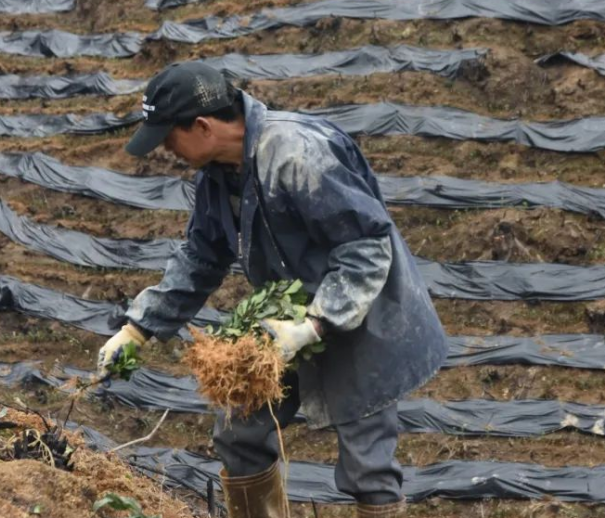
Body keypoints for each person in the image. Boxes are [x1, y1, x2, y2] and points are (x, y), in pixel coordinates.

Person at [97, 62, 447, 517]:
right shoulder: (217, 174)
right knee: (239, 431)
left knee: (368, 468)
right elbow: (202, 257)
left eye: (168, 137)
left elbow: (366, 250)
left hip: (359, 315)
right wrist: (138, 329)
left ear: (202, 127)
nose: (166, 148)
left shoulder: (297, 155)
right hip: (285, 320)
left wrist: (315, 325)